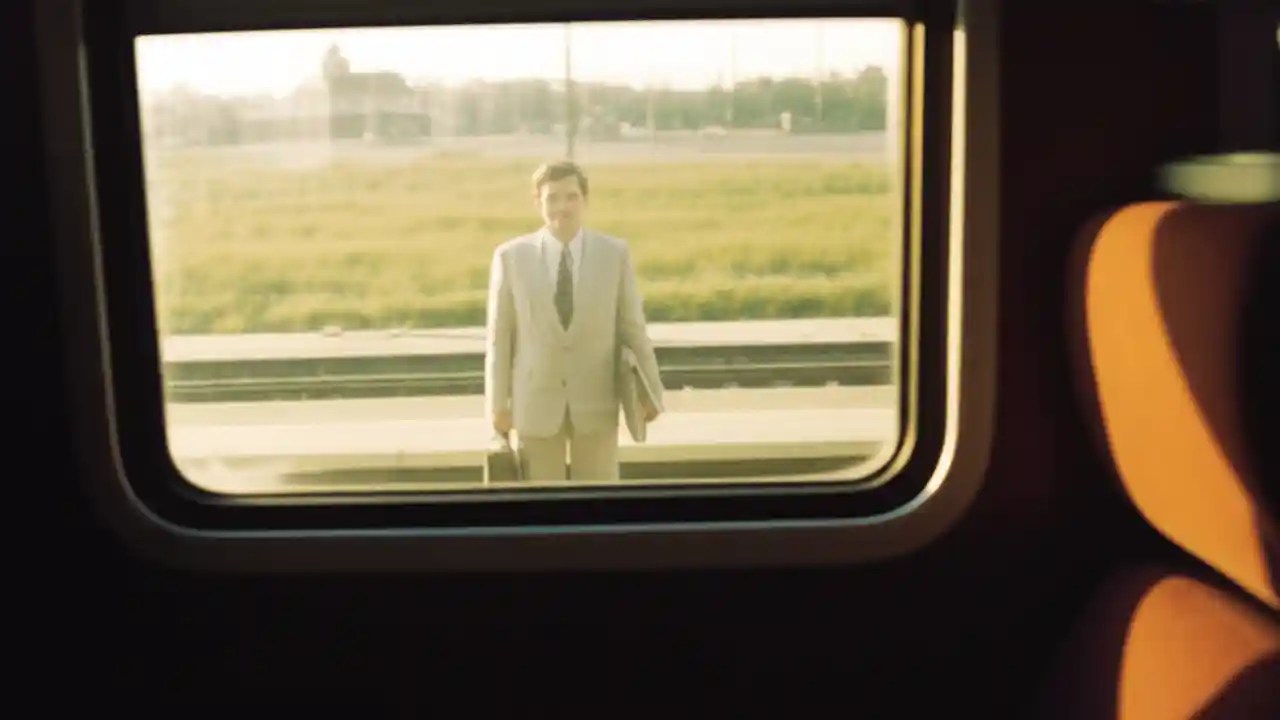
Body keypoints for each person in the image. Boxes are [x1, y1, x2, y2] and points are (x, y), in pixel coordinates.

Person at [484, 161, 663, 481]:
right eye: (552, 198)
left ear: (585, 200)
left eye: (571, 197)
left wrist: (652, 394)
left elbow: (632, 327)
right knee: (541, 508)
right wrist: (498, 405)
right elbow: (500, 338)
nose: (562, 207)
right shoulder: (511, 257)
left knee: (598, 505)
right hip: (535, 404)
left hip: (596, 404)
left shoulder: (614, 254)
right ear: (537, 201)